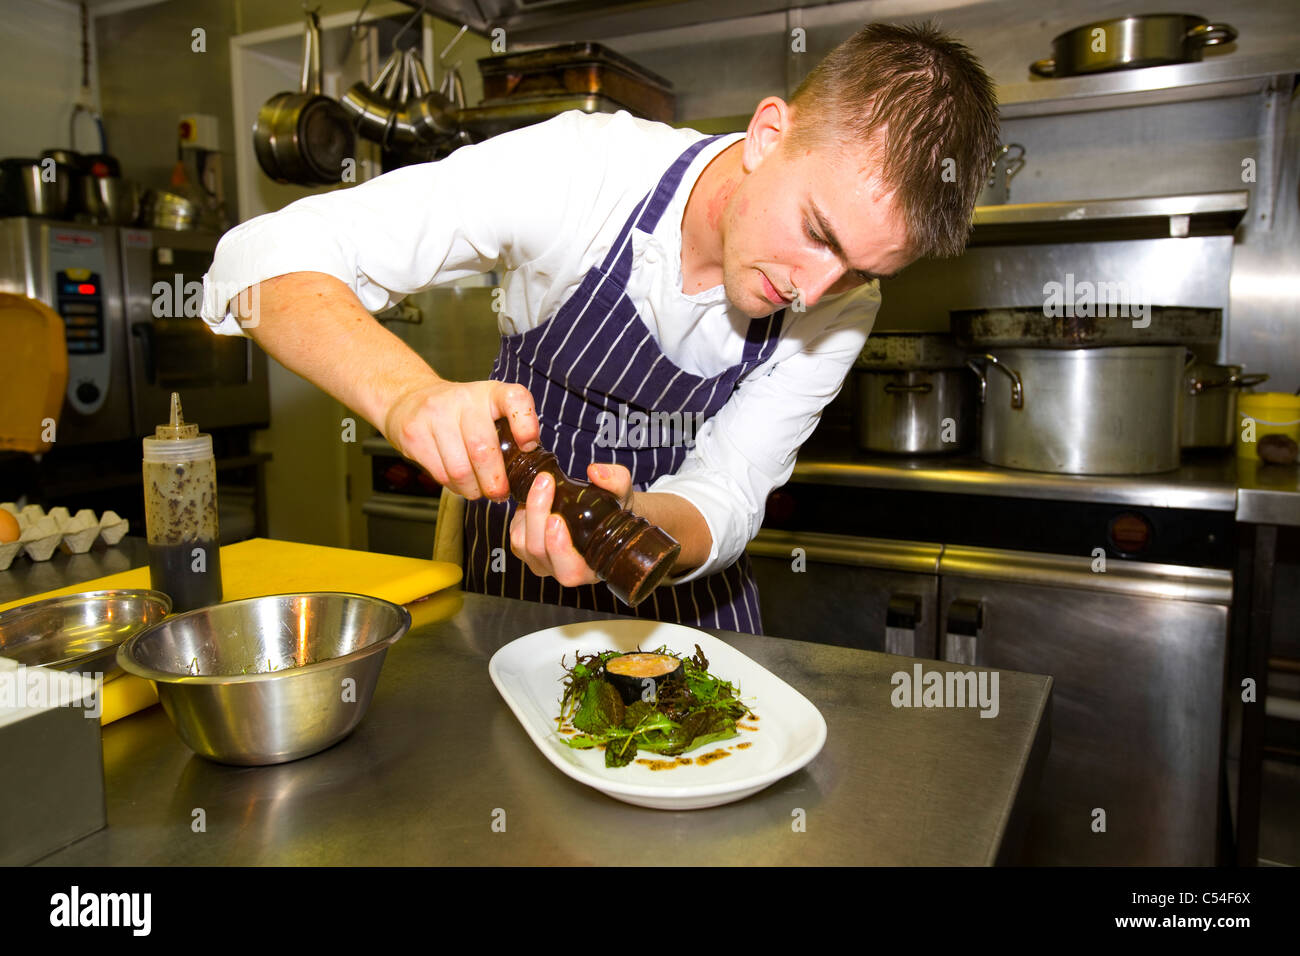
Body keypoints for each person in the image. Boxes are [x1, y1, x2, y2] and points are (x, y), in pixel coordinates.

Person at [200, 21, 1000, 634]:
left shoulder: (843, 300)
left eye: (863, 269)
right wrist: (409, 396)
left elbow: (729, 487)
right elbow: (257, 265)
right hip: (515, 579)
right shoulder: (583, 173)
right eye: (820, 234)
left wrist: (635, 526)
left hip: (691, 603)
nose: (816, 289)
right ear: (767, 136)